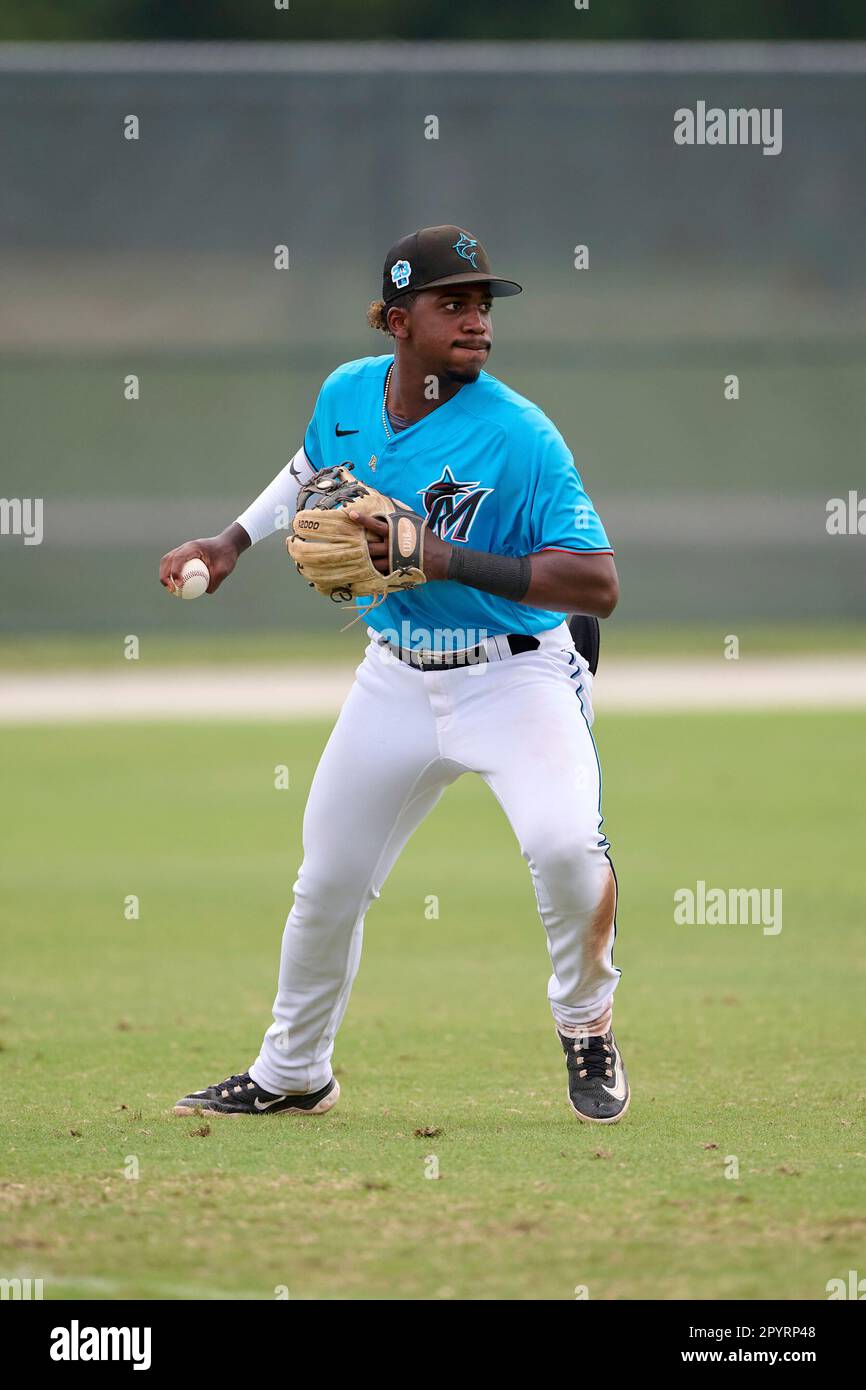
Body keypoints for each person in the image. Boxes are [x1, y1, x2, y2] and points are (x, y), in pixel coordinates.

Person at [160, 225, 629, 1124]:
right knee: (328, 879)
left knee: (567, 852)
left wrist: (442, 558)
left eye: (483, 305)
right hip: (395, 677)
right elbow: (308, 473)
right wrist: (229, 542)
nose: (477, 322)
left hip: (515, 677)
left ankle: (586, 1019)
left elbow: (598, 585)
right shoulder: (347, 393)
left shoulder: (521, 435)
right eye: (453, 303)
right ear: (396, 320)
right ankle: (295, 1072)